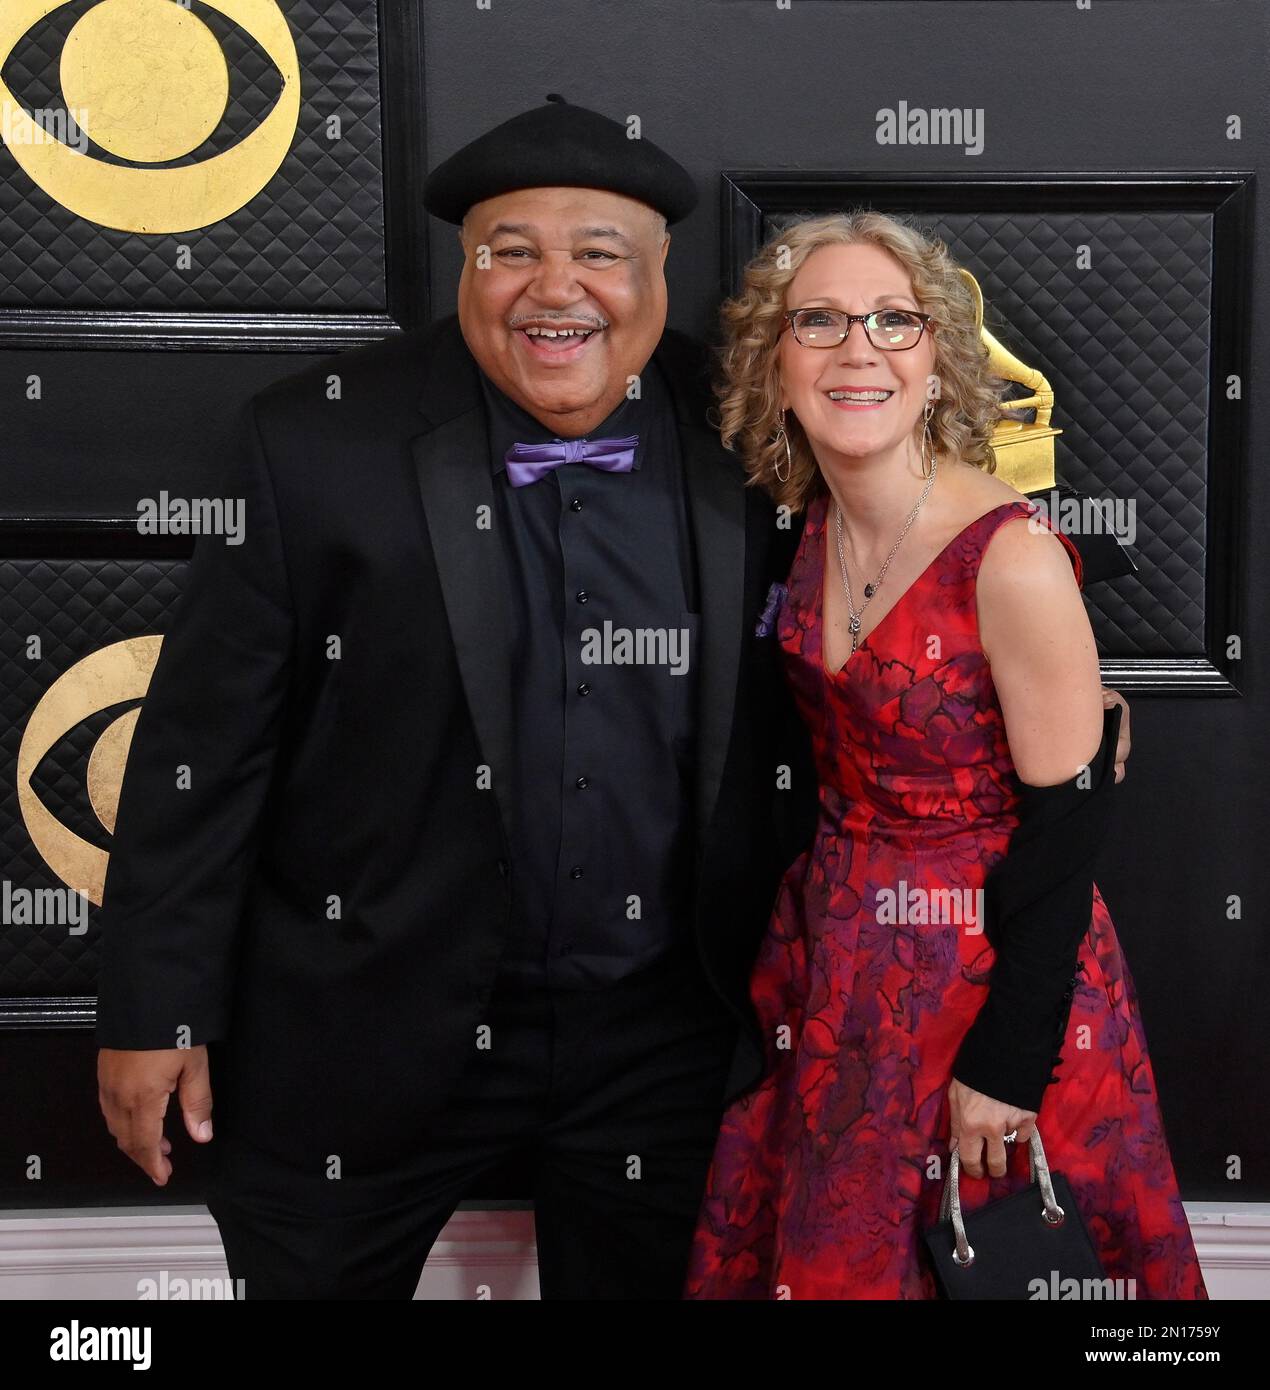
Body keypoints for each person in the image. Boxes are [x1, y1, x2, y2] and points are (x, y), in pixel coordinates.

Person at [93, 96, 1132, 1301]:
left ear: (658, 273)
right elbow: (201, 749)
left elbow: (925, 554)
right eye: (512, 250)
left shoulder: (756, 432)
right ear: (465, 267)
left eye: (598, 253)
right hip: (362, 1018)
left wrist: (1056, 631)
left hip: (667, 1039)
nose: (556, 288)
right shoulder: (309, 441)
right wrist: (156, 1008)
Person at [683, 211, 1206, 1300]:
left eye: (892, 320)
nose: (856, 347)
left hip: (989, 979)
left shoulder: (1009, 557)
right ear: (773, 364)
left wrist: (1008, 1065)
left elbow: (1068, 834)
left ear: (937, 365)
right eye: (818, 320)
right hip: (838, 976)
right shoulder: (807, 522)